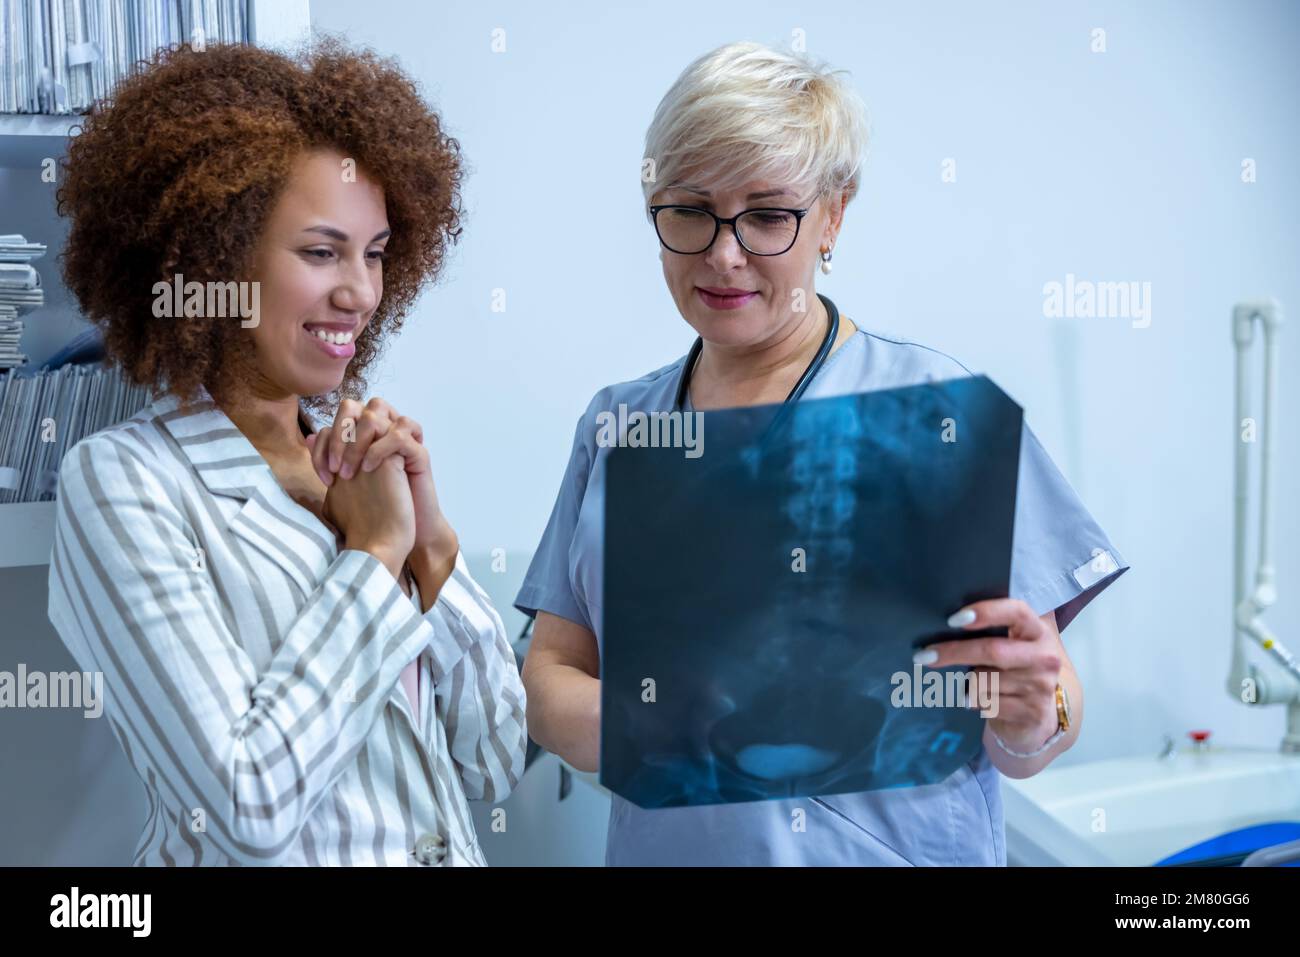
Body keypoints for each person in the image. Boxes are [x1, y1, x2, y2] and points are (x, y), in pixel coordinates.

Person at [516, 41, 1129, 866]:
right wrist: (643, 722)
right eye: (690, 209)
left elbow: (1043, 714)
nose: (724, 254)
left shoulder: (939, 414)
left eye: (769, 216)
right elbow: (549, 676)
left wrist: (1033, 715)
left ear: (833, 216)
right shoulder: (617, 425)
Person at [47, 40, 525, 866]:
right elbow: (245, 807)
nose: (361, 292)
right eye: (321, 251)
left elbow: (496, 762)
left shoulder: (361, 461)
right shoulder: (125, 481)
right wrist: (375, 555)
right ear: (211, 258)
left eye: (376, 253)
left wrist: (431, 548)